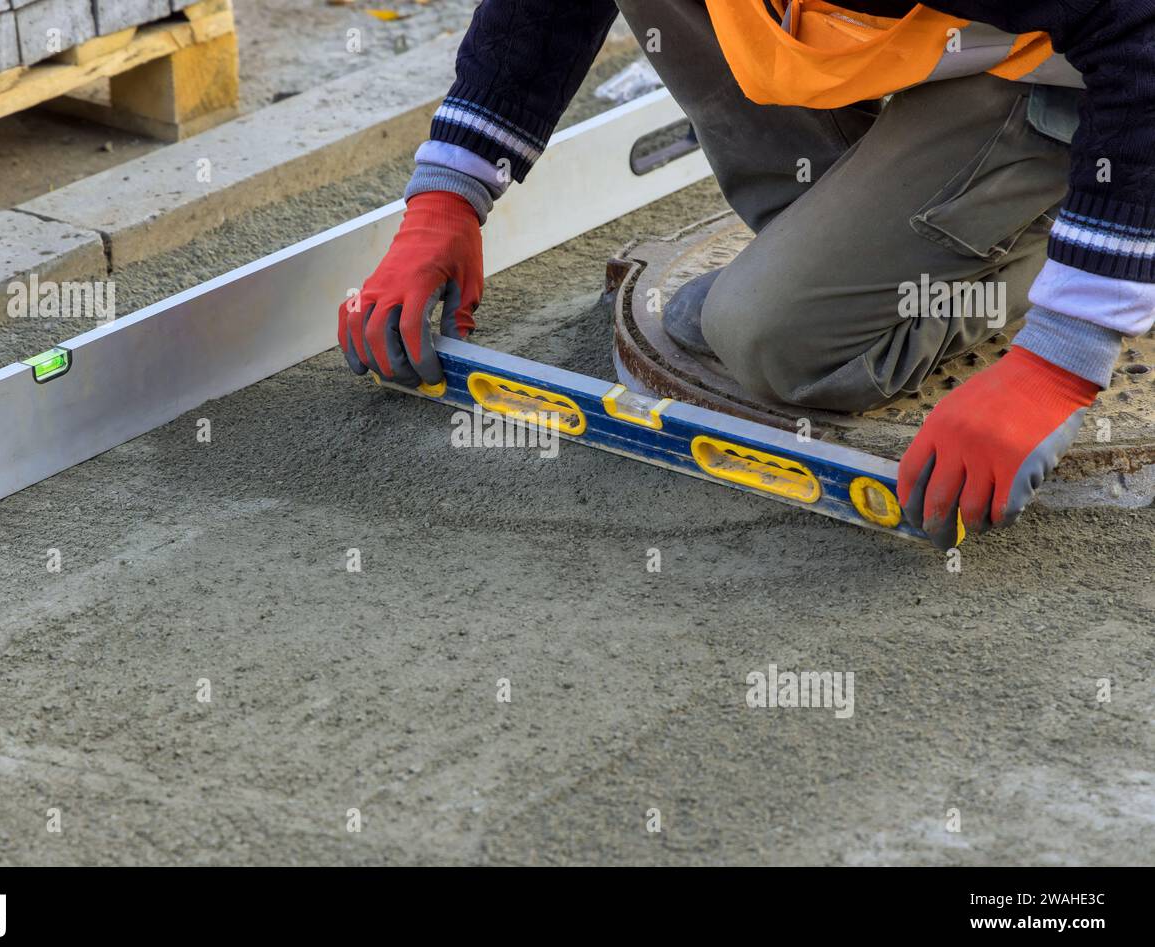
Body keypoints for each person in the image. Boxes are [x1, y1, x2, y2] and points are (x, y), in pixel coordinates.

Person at [337, 1, 1155, 549]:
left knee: (777, 340)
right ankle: (868, 213)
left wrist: (1059, 360)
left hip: (1061, 72)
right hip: (917, 33)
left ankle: (1055, 223)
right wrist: (450, 192)